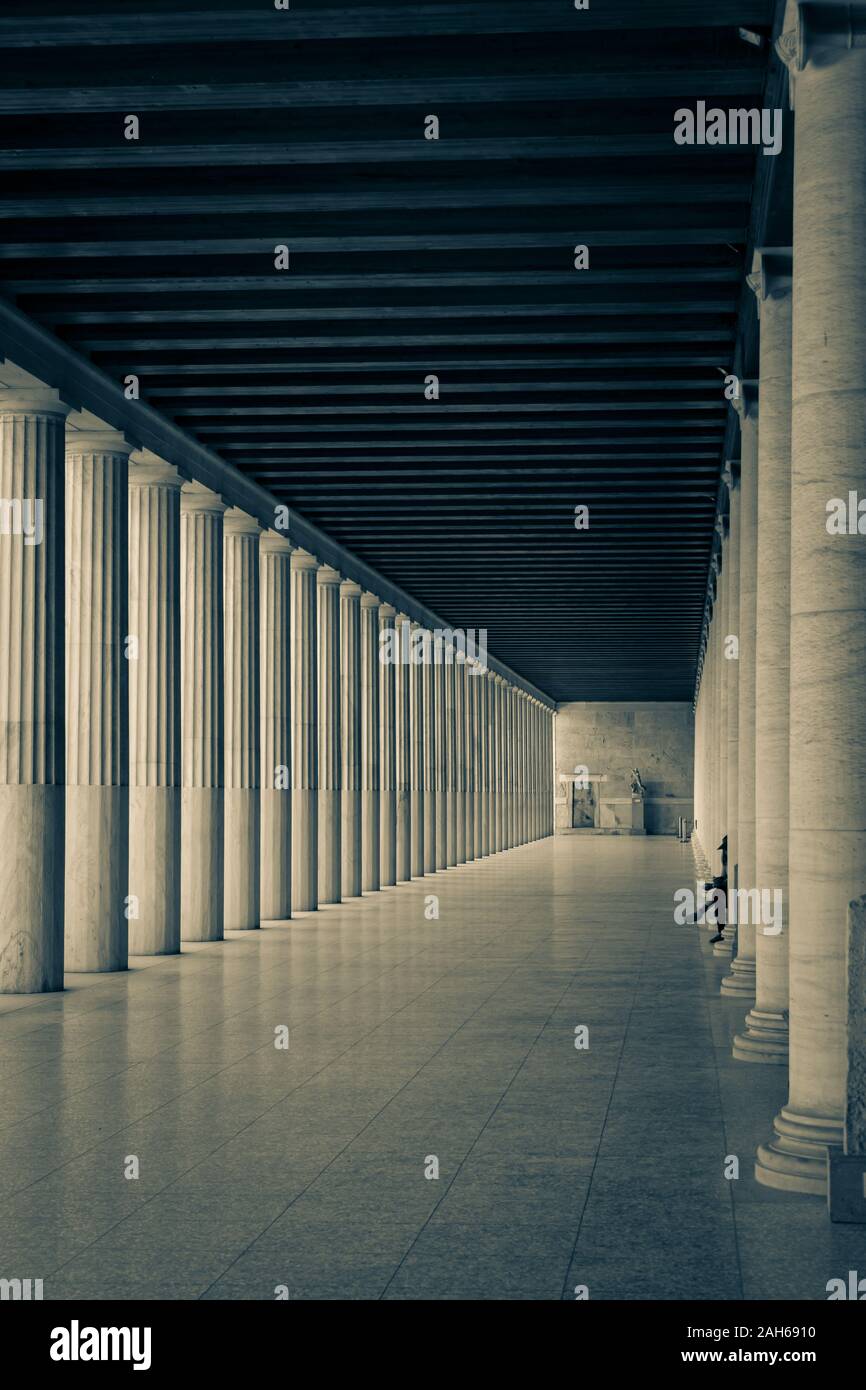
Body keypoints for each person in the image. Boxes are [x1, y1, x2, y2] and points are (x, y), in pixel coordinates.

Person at [706, 835, 727, 943]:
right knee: (719, 896)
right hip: (727, 889)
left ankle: (706, 906)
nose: (725, 851)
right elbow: (724, 876)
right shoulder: (725, 859)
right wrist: (716, 882)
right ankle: (721, 932)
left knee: (719, 895)